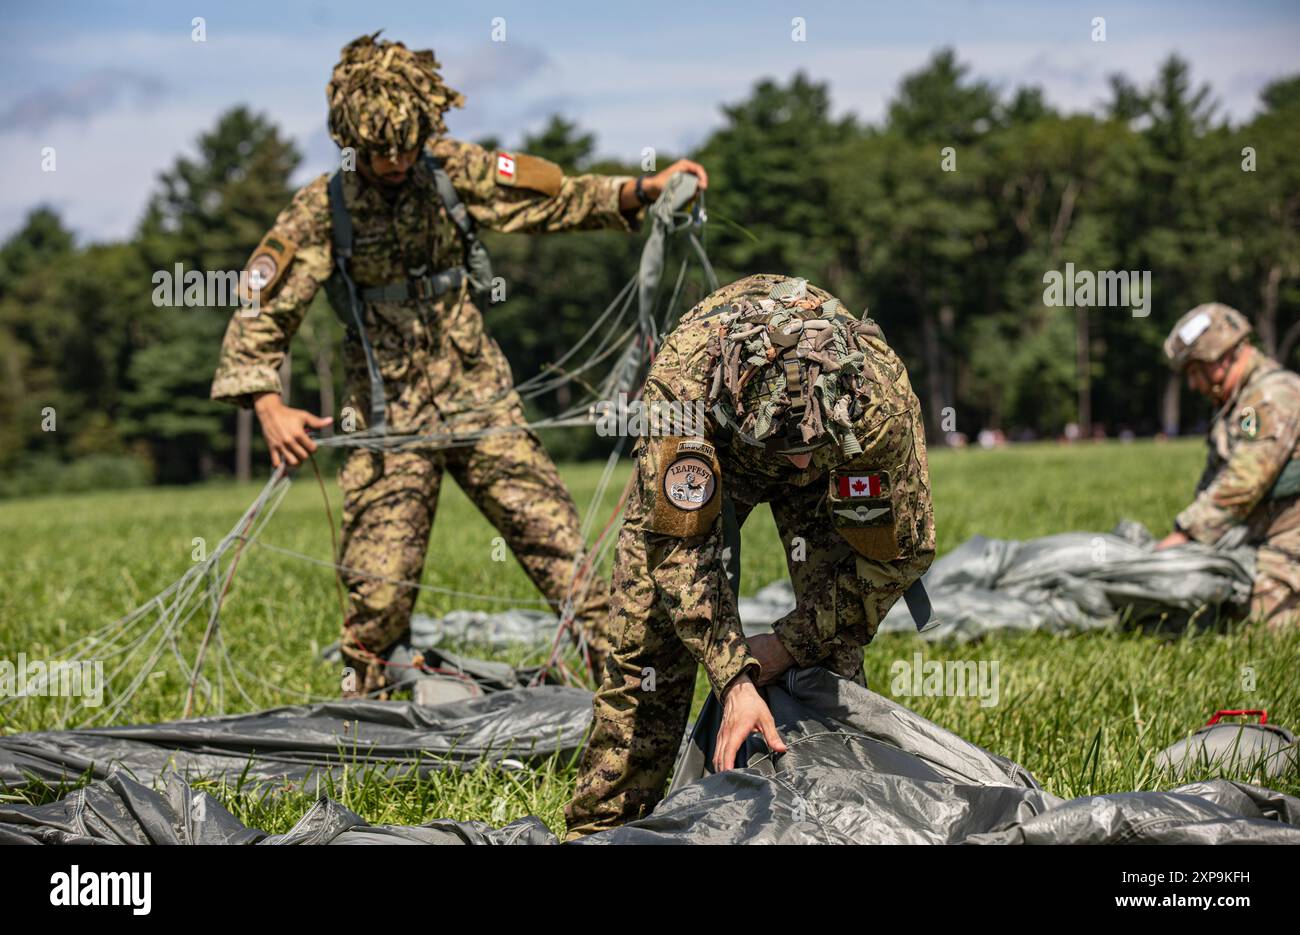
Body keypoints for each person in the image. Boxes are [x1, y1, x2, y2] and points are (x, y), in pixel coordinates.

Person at [210, 33, 709, 695]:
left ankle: (626, 704)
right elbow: (259, 306)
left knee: (569, 564)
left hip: (482, 405)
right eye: (376, 151)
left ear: (426, 128)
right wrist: (268, 405)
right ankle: (366, 722)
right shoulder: (323, 208)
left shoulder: (452, 171)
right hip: (388, 426)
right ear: (349, 138)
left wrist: (643, 190)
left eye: (404, 147)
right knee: (378, 595)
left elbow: (551, 200)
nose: (391, 162)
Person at [564, 273, 935, 837]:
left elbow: (900, 555)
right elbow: (678, 548)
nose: (799, 466)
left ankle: (838, 818)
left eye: (810, 451)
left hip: (842, 448)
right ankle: (605, 828)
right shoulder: (684, 384)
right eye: (791, 452)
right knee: (646, 653)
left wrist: (789, 645)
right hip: (723, 446)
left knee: (829, 663)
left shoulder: (876, 401)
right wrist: (734, 678)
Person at [1155, 303, 1300, 628]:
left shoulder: (1268, 400)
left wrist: (1185, 536)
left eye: (1194, 372)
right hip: (1258, 538)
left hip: (1289, 543)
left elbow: (1242, 484)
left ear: (1218, 360)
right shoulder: (1241, 404)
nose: (1193, 385)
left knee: (1244, 618)